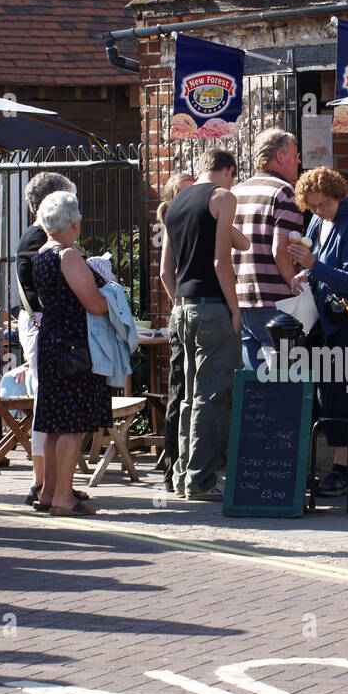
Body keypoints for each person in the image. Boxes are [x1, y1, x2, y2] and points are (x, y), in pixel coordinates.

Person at [289, 167, 348, 497]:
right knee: (327, 392)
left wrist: (313, 266)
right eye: (311, 206)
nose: (317, 211)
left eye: (323, 205)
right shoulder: (318, 221)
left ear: (338, 196)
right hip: (331, 320)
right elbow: (320, 266)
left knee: (346, 393)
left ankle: (342, 468)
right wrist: (305, 274)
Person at [162, 148, 243, 500]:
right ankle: (201, 479)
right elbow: (221, 262)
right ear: (229, 171)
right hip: (212, 307)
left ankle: (182, 475)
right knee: (212, 396)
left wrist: (179, 303)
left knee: (187, 398)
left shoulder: (177, 203)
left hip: (181, 307)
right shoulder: (223, 197)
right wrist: (235, 308)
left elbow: (166, 270)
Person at [31, 190, 109, 516]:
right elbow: (93, 302)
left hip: (50, 341)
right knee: (73, 424)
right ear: (73, 222)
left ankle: (48, 492)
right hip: (74, 345)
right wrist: (111, 302)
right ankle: (64, 496)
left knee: (52, 423)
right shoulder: (68, 256)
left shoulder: (41, 254)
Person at [15, 172, 78, 506]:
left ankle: (50, 484)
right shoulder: (39, 239)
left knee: (49, 403)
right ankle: (42, 484)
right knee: (48, 403)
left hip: (43, 325)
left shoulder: (38, 237)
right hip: (43, 325)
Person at [232, 128, 300, 370]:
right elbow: (279, 251)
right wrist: (298, 288)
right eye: (295, 154)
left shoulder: (237, 191)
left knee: (256, 390)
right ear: (280, 156)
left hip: (243, 300)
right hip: (277, 302)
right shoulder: (285, 193)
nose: (299, 160)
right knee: (288, 381)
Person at [155, 171, 195, 494]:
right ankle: (172, 466)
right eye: (183, 192)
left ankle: (191, 463)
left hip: (192, 310)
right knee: (179, 391)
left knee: (194, 392)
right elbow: (165, 273)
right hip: (184, 312)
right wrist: (178, 304)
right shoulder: (173, 222)